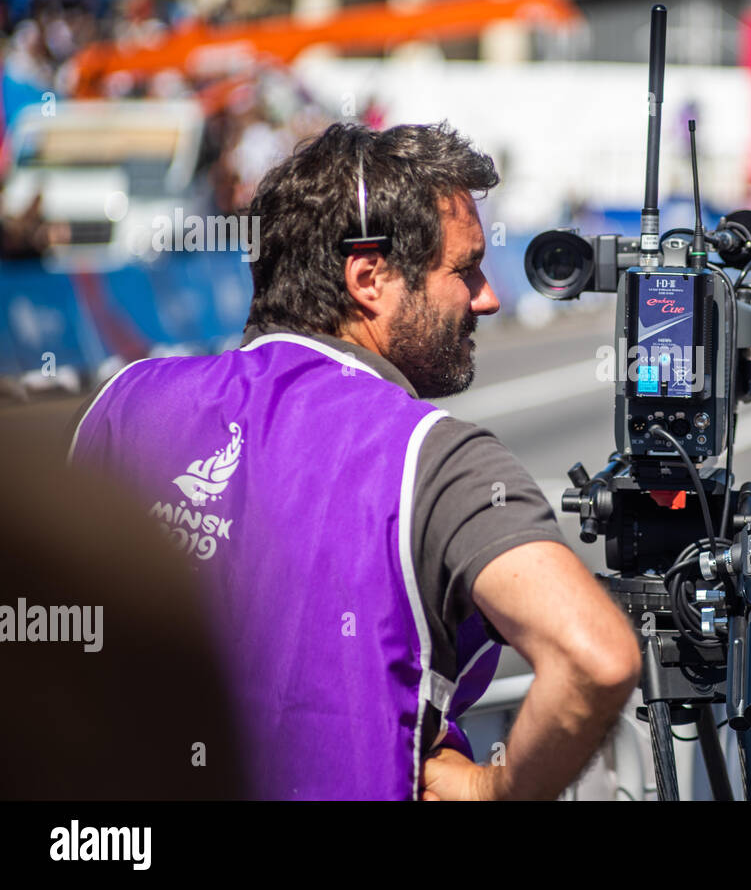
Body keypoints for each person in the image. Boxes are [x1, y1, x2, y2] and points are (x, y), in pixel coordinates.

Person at [66, 121, 641, 800]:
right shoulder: (434, 456)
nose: (487, 296)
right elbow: (596, 657)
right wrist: (493, 789)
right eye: (465, 270)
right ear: (369, 278)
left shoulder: (126, 403)